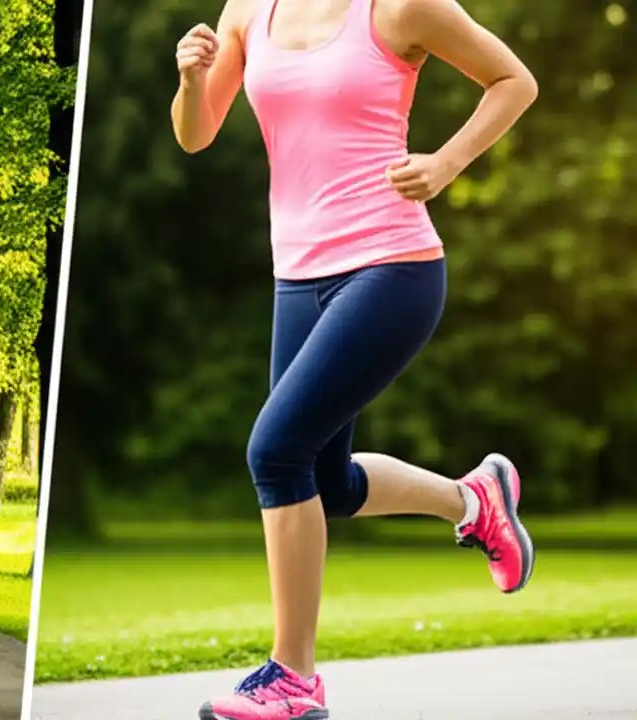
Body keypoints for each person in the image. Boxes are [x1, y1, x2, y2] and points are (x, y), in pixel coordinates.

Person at [170, 0, 538, 717]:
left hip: (391, 266)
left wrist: (447, 162)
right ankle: (476, 502)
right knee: (326, 486)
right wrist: (190, 80)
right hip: (297, 278)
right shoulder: (248, 10)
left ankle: (294, 681)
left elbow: (513, 80)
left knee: (276, 452)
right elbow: (196, 135)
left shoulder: (402, 6)